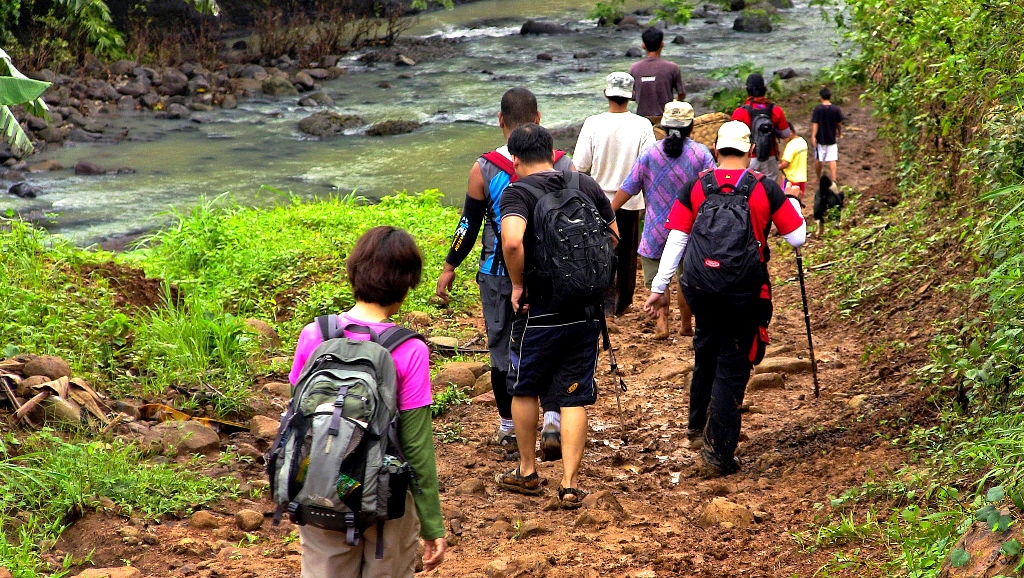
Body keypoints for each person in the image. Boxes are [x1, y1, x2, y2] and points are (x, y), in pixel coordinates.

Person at [644, 121, 806, 476]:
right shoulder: (764, 188)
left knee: (706, 346)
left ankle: (696, 426)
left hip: (700, 288)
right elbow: (797, 238)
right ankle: (718, 454)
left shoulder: (698, 186)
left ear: (716, 150)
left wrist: (659, 287)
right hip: (744, 292)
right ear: (749, 152)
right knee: (733, 364)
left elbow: (677, 239)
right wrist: (791, 198)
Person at [289, 226, 446, 576]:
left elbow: (298, 419)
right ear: (407, 285)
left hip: (320, 486)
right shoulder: (410, 349)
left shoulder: (314, 334)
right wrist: (432, 524)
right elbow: (416, 444)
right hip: (385, 497)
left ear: (355, 272)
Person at [435, 88, 570, 461]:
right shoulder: (564, 164)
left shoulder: (485, 167)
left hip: (498, 273)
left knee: (501, 350)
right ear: (539, 119)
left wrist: (450, 266)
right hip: (553, 272)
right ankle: (554, 419)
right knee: (552, 342)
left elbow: (469, 224)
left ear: (500, 120)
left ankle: (510, 429)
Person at [495, 123, 619, 508]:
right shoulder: (584, 184)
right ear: (552, 151)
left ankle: (528, 471)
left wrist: (518, 285)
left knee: (526, 386)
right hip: (584, 309)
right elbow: (614, 236)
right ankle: (568, 483)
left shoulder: (517, 191)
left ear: (514, 160)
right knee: (573, 394)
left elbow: (513, 240)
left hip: (540, 310)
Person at [610, 100, 715, 338]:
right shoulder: (701, 154)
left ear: (664, 128)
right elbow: (712, 190)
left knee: (659, 280)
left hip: (656, 230)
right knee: (686, 280)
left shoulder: (650, 154)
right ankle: (687, 326)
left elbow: (629, 187)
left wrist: (609, 211)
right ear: (691, 127)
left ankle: (661, 326)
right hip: (691, 230)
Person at [574, 72, 656, 316]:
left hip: (597, 202)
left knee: (600, 251)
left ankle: (604, 299)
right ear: (632, 96)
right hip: (630, 201)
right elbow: (648, 163)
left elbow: (579, 165)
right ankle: (623, 301)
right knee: (628, 252)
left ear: (606, 94)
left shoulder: (593, 123)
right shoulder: (642, 125)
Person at [731, 73, 791, 182]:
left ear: (747, 90)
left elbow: (732, 138)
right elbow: (786, 134)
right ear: (764, 89)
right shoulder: (775, 110)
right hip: (770, 157)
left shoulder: (740, 112)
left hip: (748, 158)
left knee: (748, 191)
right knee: (769, 192)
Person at [629, 27, 685, 125]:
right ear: (662, 44)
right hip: (665, 121)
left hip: (642, 121)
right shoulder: (672, 68)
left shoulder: (634, 68)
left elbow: (632, 96)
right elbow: (682, 94)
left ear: (643, 46)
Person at [811, 87, 843, 183]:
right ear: (830, 97)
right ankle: (834, 178)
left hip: (820, 138)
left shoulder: (818, 109)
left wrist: (813, 135)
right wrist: (839, 133)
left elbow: (815, 123)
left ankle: (818, 177)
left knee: (818, 158)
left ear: (821, 97)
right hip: (831, 137)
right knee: (832, 158)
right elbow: (839, 123)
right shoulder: (836, 109)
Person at [778, 122, 808, 197]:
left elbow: (785, 164)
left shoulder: (791, 146)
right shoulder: (802, 141)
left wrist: (775, 168)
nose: (783, 138)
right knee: (798, 202)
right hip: (802, 178)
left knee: (787, 202)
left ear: (790, 132)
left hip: (791, 179)